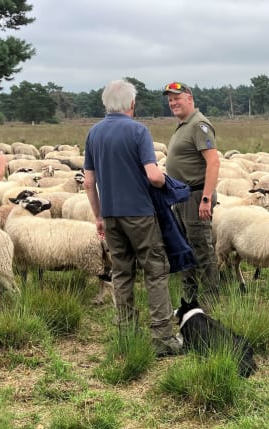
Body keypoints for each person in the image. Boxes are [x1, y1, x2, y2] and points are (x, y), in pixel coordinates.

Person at [84, 79, 182, 357]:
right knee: (154, 271)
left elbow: (88, 182)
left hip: (112, 216)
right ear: (132, 104)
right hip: (140, 214)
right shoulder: (138, 131)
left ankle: (126, 334)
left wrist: (99, 216)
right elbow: (152, 175)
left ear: (106, 104)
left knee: (122, 273)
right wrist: (167, 184)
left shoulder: (94, 133)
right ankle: (162, 338)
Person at [162, 81, 221, 304]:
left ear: (190, 98)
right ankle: (191, 296)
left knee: (201, 246)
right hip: (181, 197)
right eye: (170, 100)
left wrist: (206, 198)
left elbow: (213, 162)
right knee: (184, 245)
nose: (173, 103)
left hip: (195, 196)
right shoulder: (184, 125)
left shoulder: (199, 125)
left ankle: (210, 299)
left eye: (177, 98)